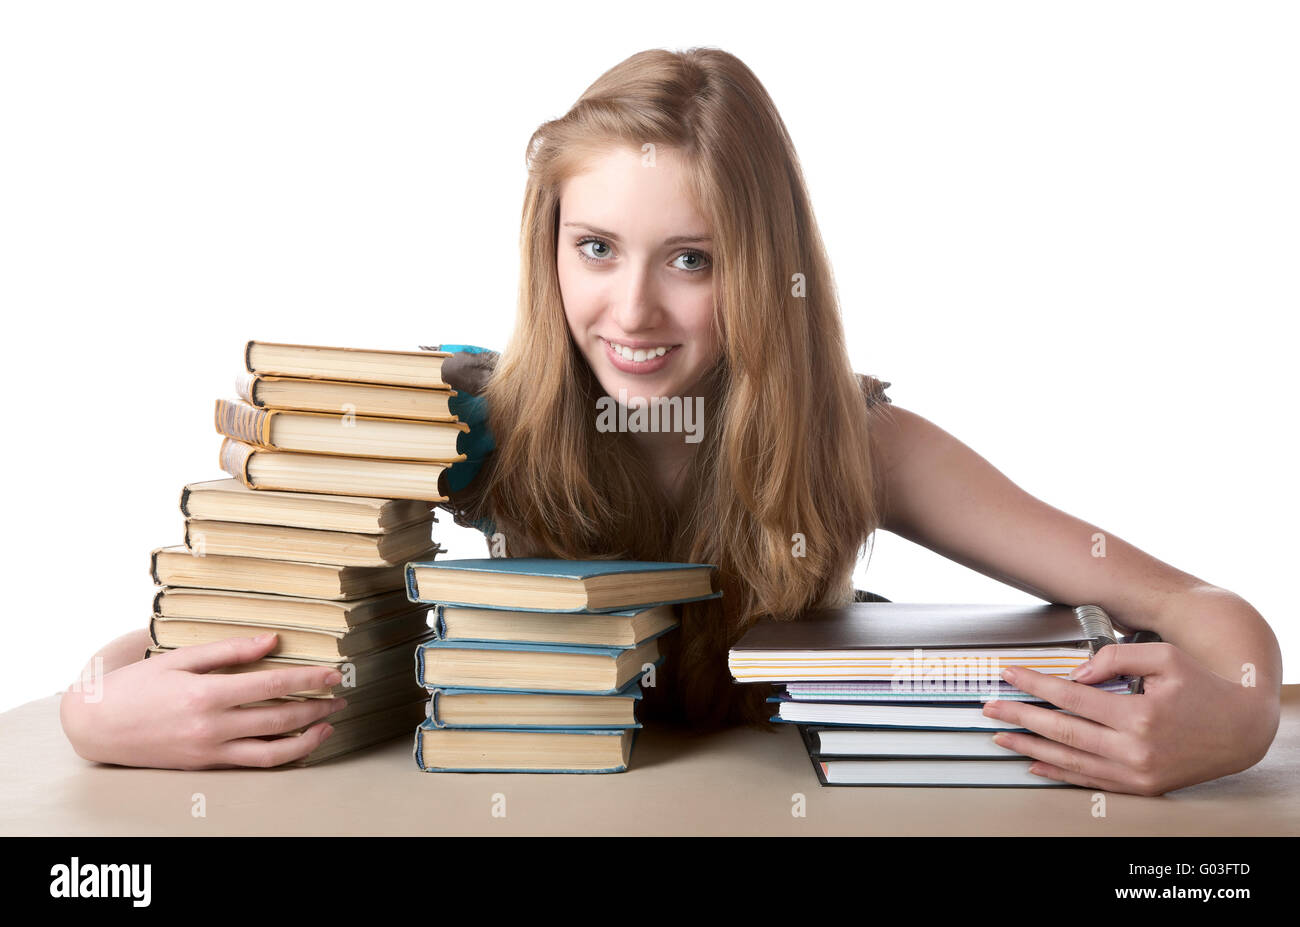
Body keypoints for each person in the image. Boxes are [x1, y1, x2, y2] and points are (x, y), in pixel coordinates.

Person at [61, 47, 1281, 795]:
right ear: (548, 249)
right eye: (595, 248)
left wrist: (1233, 707)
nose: (631, 309)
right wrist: (94, 707)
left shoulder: (855, 446)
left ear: (763, 264)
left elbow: (1189, 606)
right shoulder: (474, 416)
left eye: (691, 259)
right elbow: (216, 618)